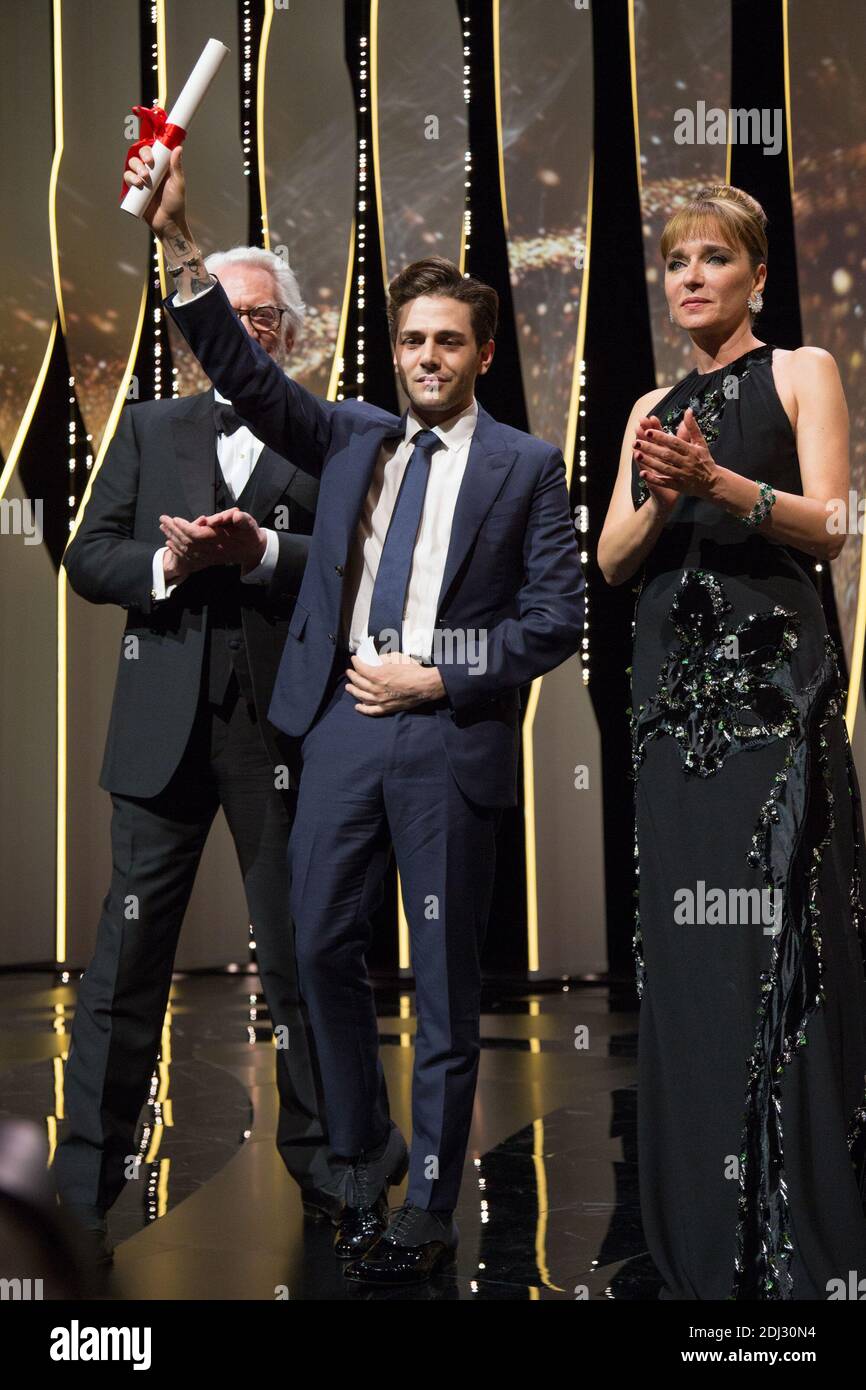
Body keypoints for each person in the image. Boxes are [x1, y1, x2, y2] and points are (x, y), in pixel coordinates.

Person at [122, 142, 585, 1285]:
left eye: (448, 341)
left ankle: (431, 1190)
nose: (428, 358)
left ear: (480, 351)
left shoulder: (524, 466)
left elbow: (554, 618)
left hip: (442, 737)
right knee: (316, 949)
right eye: (412, 340)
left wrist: (439, 673)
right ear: (396, 351)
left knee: (440, 978)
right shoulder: (351, 435)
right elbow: (243, 369)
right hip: (333, 738)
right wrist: (181, 241)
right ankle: (357, 1141)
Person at [599, 184, 866, 1300]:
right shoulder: (648, 405)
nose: (691, 277)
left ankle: (797, 1225)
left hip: (771, 704)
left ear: (757, 275)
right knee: (692, 961)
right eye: (675, 262)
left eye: (714, 259)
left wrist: (718, 483)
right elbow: (611, 559)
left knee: (782, 952)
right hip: (673, 713)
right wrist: (664, 490)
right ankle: (698, 1226)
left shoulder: (800, 370)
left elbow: (833, 522)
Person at [55, 244, 346, 1263]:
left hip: (281, 733)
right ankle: (82, 1185)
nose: (244, 331)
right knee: (125, 963)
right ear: (191, 331)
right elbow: (90, 554)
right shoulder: (147, 428)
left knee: (304, 960)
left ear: (290, 334)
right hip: (159, 737)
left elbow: (355, 567)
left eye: (262, 319)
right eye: (225, 315)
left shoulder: (321, 434)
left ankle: (336, 1179)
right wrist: (167, 563)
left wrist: (259, 553)